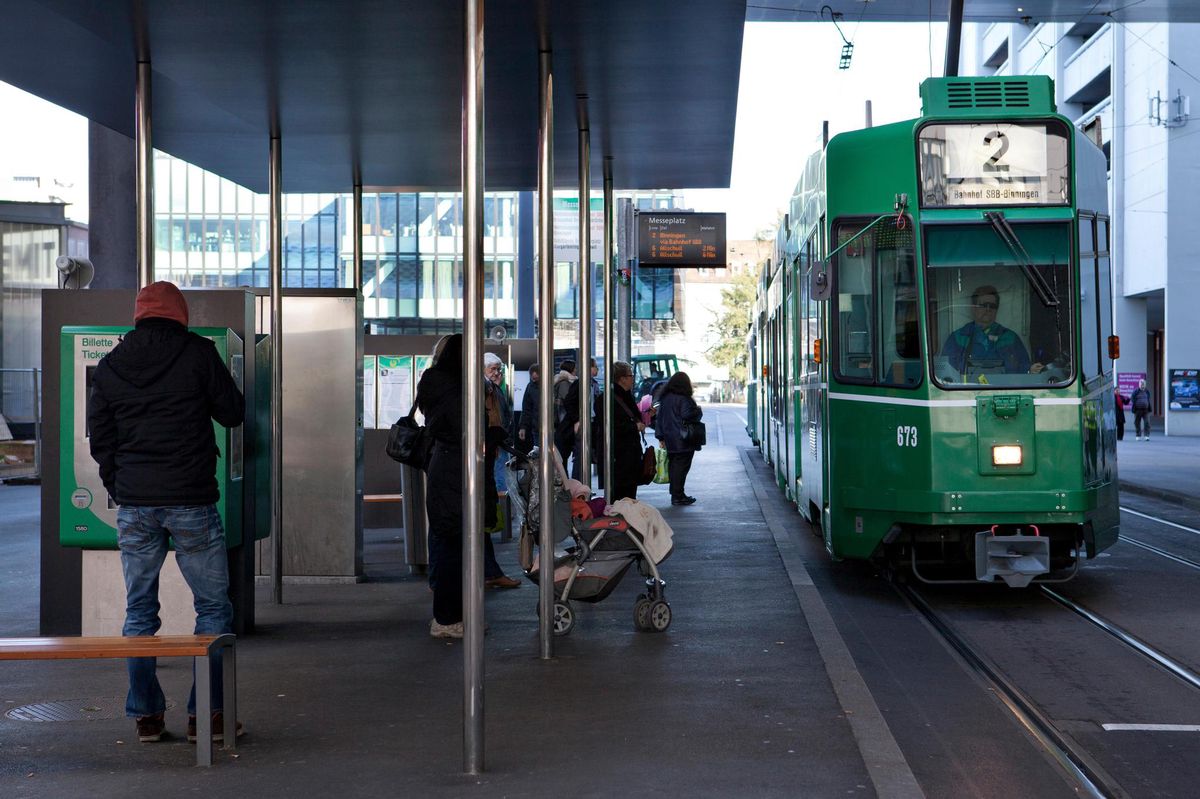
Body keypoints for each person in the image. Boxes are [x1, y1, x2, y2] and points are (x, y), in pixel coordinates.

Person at [87, 281, 245, 744]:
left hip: (135, 503)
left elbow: (101, 436)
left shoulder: (114, 362)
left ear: (138, 314)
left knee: (139, 610)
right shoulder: (198, 353)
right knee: (213, 608)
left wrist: (121, 484)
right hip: (191, 499)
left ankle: (147, 716)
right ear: (180, 313)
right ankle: (210, 715)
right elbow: (233, 413)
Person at [941, 285, 1043, 375]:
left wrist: (1031, 370)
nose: (988, 309)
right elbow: (947, 374)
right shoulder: (958, 338)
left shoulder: (1010, 338)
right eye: (983, 305)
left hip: (1005, 393)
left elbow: (1024, 369)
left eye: (992, 306)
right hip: (967, 394)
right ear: (973, 308)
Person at [483, 353, 520, 589]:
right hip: (490, 451)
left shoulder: (495, 389)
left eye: (499, 368)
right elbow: (494, 419)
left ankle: (489, 571)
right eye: (494, 368)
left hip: (495, 449)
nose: (498, 373)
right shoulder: (487, 390)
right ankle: (489, 571)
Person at [593, 361, 646, 501]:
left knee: (628, 492)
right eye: (631, 375)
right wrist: (635, 426)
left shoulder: (626, 395)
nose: (633, 378)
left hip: (629, 453)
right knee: (620, 493)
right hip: (617, 455)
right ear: (622, 378)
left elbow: (632, 416)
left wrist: (645, 416)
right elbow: (610, 425)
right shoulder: (606, 399)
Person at [654, 371, 703, 506]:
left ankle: (676, 494)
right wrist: (698, 410)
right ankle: (678, 496)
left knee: (674, 466)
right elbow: (687, 414)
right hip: (683, 439)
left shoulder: (665, 398)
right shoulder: (684, 398)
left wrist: (660, 437)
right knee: (681, 468)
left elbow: (659, 419)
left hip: (670, 439)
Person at [552, 360, 577, 464]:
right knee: (563, 455)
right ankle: (563, 479)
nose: (576, 371)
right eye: (575, 368)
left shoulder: (559, 380)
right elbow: (567, 400)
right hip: (563, 423)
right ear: (571, 369)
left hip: (559, 423)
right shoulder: (564, 383)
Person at [517, 362, 540, 453]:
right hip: (537, 428)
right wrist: (523, 427)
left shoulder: (552, 384)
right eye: (532, 374)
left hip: (554, 428)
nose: (534, 376)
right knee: (538, 454)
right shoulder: (530, 387)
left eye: (537, 373)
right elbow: (526, 409)